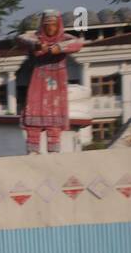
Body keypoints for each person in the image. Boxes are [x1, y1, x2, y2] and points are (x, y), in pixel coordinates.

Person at [17, 10, 84, 154]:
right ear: (42, 25)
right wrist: (37, 45)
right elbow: (22, 38)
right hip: (38, 81)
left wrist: (59, 47)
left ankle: (54, 154)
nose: (50, 28)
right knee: (33, 121)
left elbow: (78, 43)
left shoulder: (64, 38)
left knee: (54, 124)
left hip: (57, 85)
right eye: (47, 25)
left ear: (58, 25)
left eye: (53, 25)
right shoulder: (37, 38)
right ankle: (32, 152)